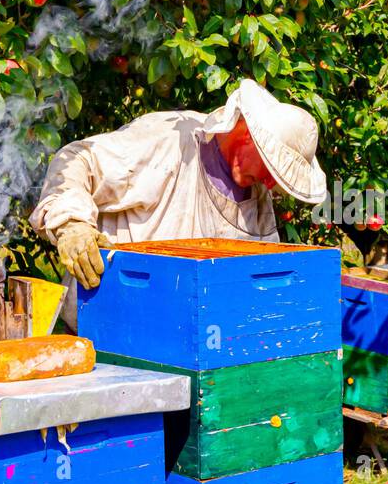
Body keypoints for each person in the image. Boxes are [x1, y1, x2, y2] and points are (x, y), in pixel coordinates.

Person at [29, 78, 327, 330]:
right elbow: (78, 160)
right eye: (271, 169)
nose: (271, 184)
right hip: (105, 336)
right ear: (248, 135)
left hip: (195, 348)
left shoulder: (257, 196)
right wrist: (71, 224)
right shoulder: (167, 142)